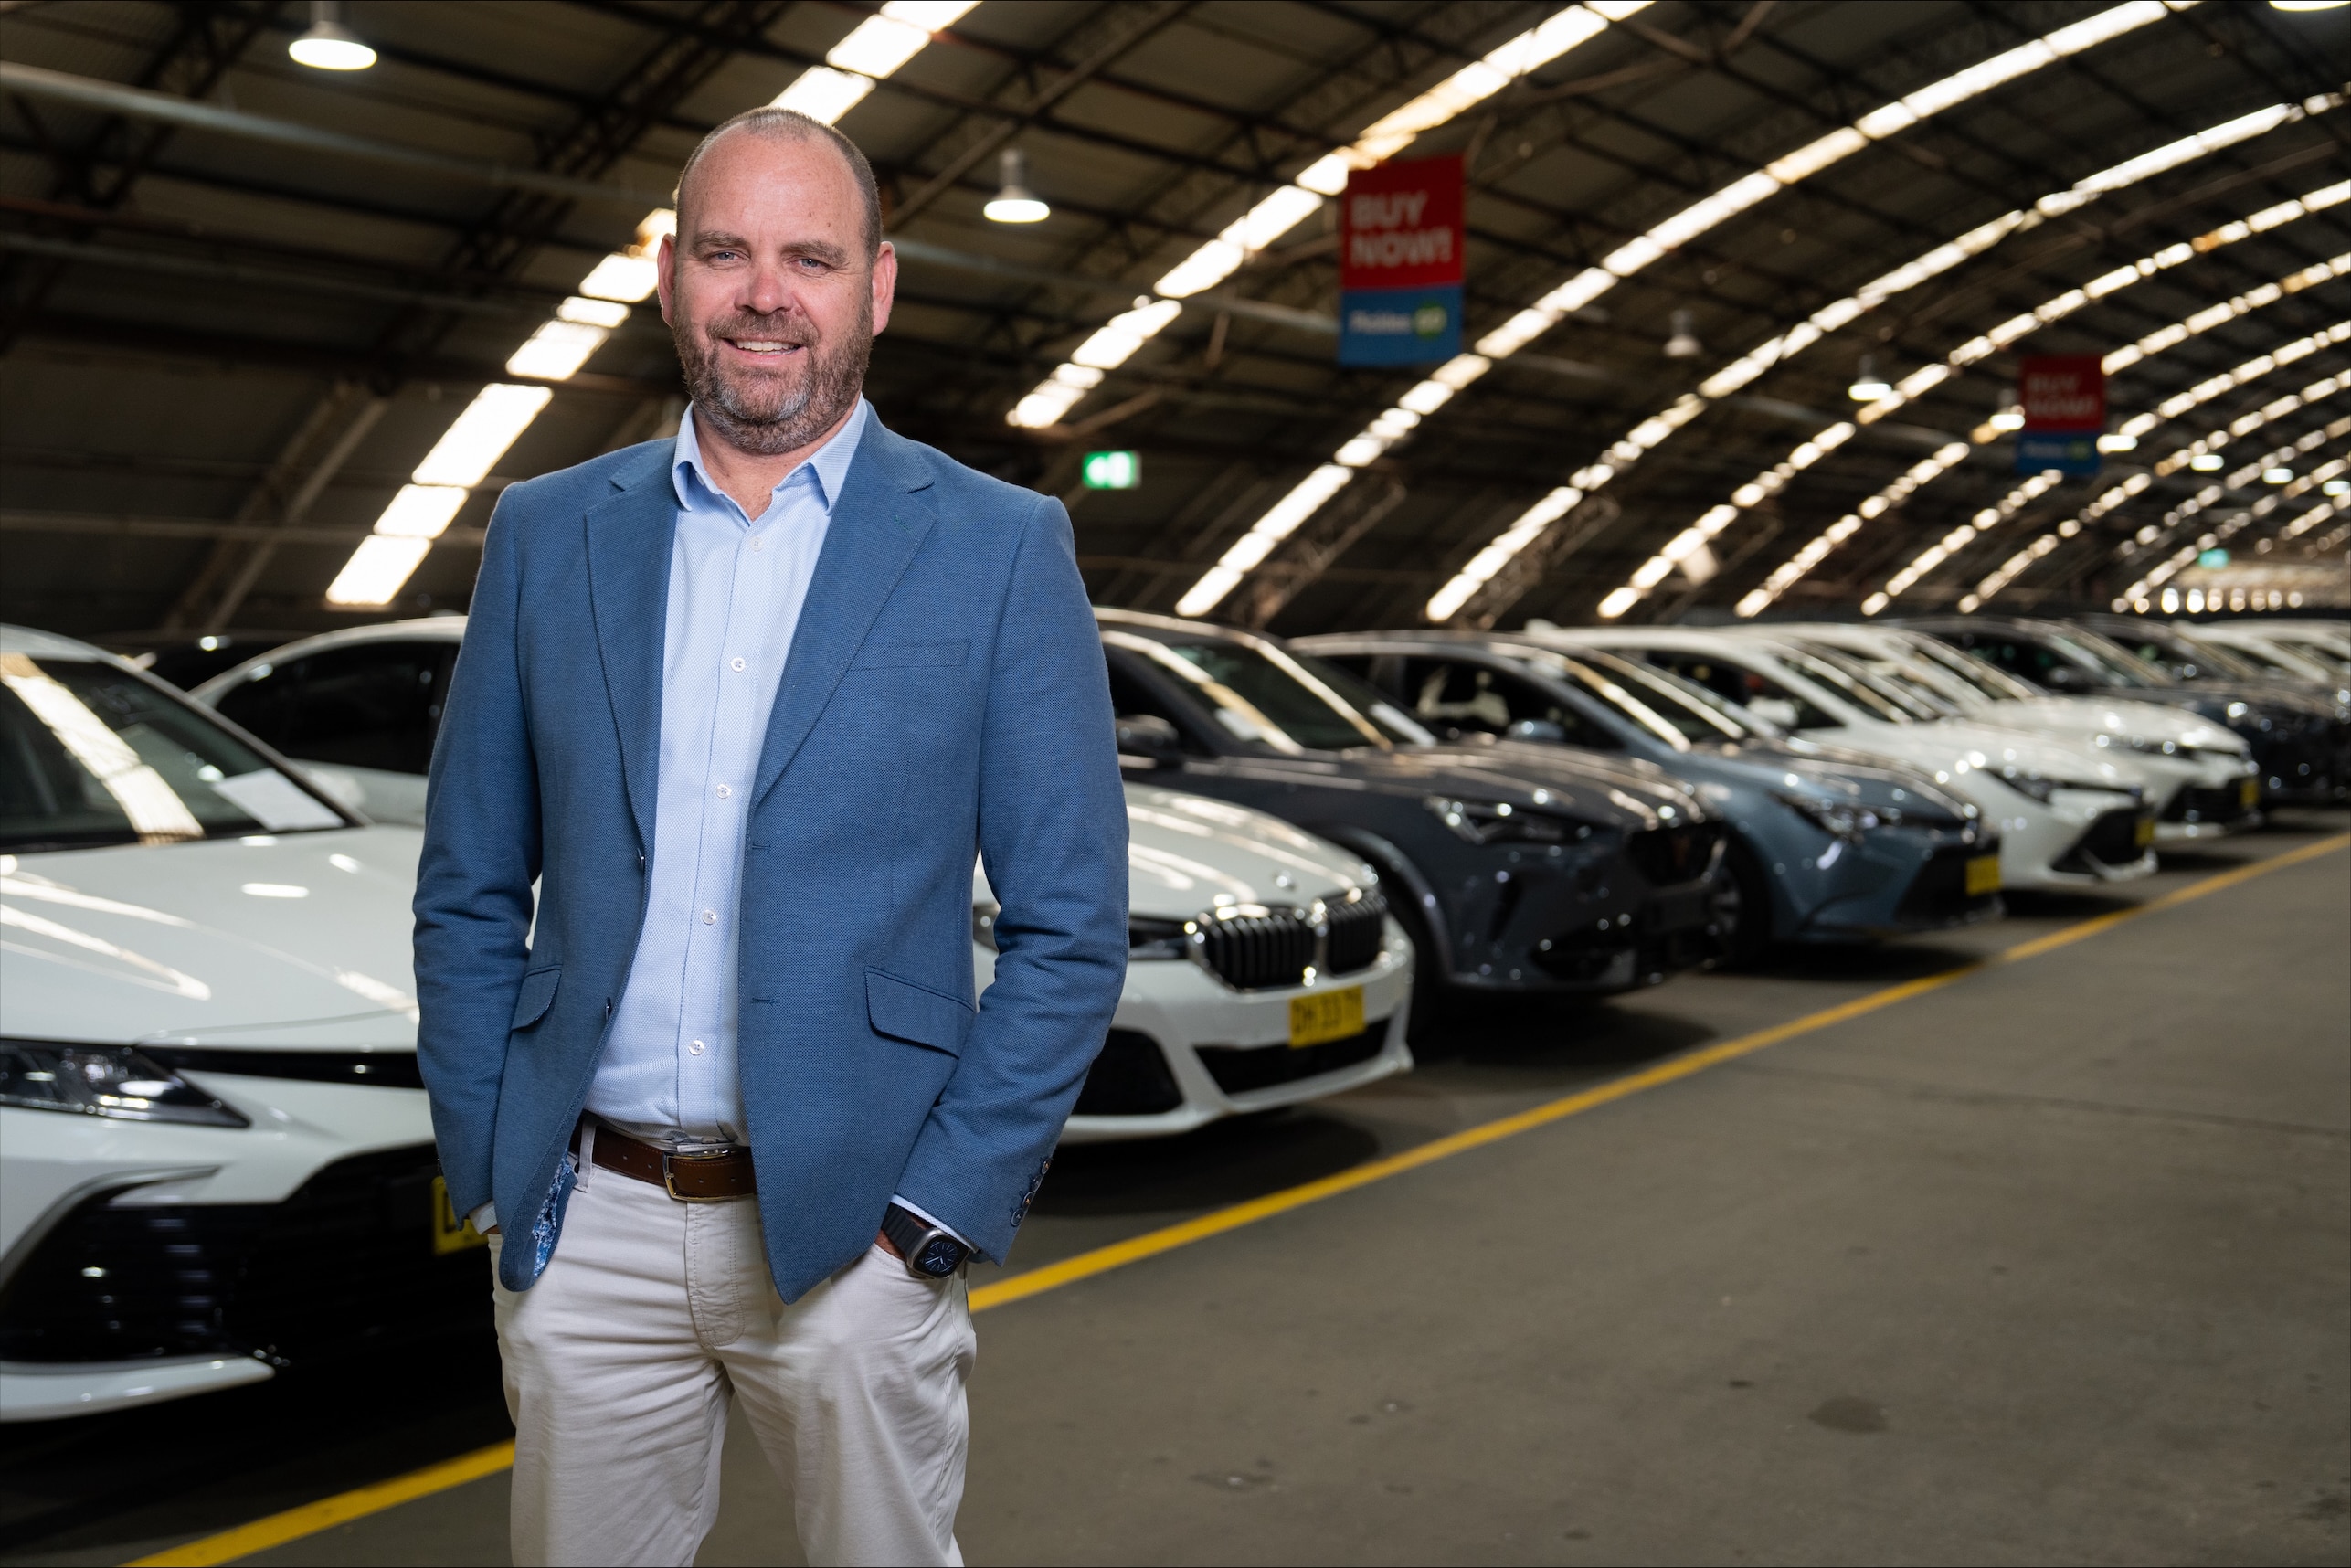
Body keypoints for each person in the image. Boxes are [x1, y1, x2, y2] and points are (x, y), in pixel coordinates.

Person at [411, 105, 1128, 1568]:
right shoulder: (547, 531)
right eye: (725, 251)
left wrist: (935, 1214)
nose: (763, 294)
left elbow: (1070, 926)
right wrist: (492, 1167)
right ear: (669, 275)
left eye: (810, 257)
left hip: (858, 1232)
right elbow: (468, 883)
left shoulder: (997, 545)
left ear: (877, 287)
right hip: (587, 1220)